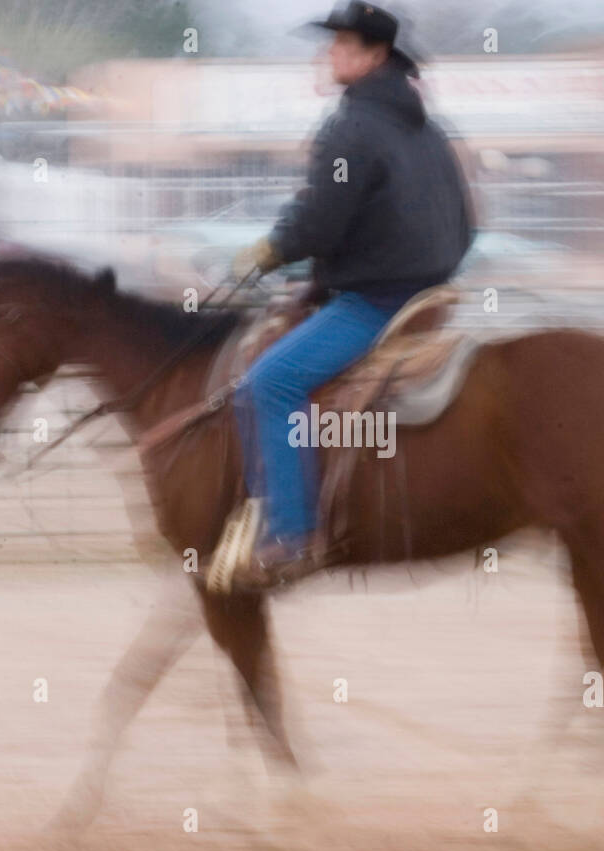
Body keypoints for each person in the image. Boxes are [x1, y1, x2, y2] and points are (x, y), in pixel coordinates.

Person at [226, 1, 474, 590]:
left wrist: (271, 249)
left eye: (342, 44)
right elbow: (464, 223)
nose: (329, 52)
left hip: (375, 303)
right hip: (429, 295)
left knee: (268, 383)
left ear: (374, 56)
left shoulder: (351, 126)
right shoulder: (428, 128)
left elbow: (320, 221)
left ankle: (289, 534)